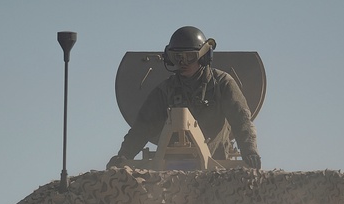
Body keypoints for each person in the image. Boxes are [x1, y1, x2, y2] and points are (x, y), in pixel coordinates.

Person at [107, 26, 261, 169]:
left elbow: (241, 120)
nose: (183, 62)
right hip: (170, 170)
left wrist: (249, 151)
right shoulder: (165, 91)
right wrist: (124, 155)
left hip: (216, 165)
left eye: (190, 57)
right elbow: (142, 127)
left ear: (204, 57)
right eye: (177, 57)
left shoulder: (222, 84)